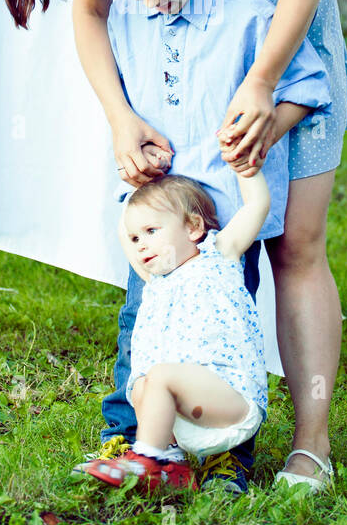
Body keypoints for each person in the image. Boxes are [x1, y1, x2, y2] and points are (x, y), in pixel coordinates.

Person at [2, 0, 347, 491]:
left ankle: (310, 446)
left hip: (283, 63)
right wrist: (120, 117)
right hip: (191, 94)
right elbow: (93, 9)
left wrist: (266, 83)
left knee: (294, 246)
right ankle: (152, 435)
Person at [70, 0, 330, 492]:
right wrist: (128, 135)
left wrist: (264, 131)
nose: (150, 3)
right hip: (156, 215)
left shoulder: (248, 16)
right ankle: (131, 435)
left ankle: (226, 453)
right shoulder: (134, 18)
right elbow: (126, 100)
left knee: (221, 329)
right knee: (140, 319)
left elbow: (308, 84)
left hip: (218, 224)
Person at [84, 170, 272, 493]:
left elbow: (257, 205)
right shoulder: (155, 281)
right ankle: (170, 462)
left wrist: (245, 167)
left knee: (160, 377)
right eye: (136, 238)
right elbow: (123, 229)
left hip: (229, 401)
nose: (141, 244)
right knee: (142, 384)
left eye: (151, 231)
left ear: (194, 227)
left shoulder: (219, 255)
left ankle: (147, 460)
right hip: (183, 420)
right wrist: (134, 184)